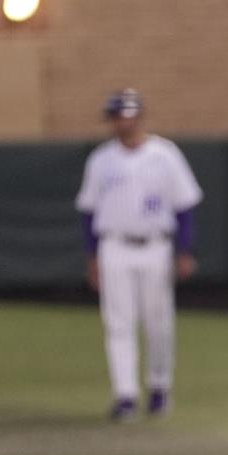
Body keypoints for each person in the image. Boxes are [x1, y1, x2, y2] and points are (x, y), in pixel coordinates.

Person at [75, 89, 202, 421]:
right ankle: (126, 395)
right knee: (119, 323)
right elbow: (89, 211)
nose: (121, 122)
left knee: (158, 323)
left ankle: (159, 387)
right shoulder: (102, 159)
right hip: (114, 246)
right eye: (116, 117)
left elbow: (185, 204)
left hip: (156, 246)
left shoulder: (165, 154)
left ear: (138, 117)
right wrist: (92, 258)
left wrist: (186, 249)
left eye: (126, 115)